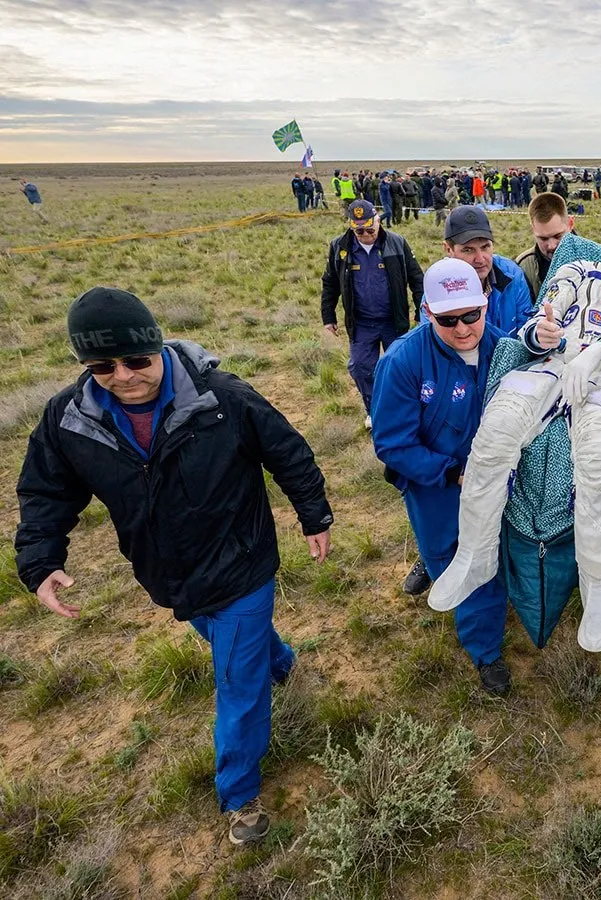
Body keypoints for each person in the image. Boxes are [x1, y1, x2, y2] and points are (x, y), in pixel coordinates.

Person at [15, 287, 334, 845]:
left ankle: (239, 794)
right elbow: (46, 491)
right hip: (167, 574)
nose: (123, 376)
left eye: (136, 360)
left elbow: (287, 450)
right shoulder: (70, 418)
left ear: (157, 345)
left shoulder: (222, 398)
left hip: (240, 561)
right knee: (237, 646)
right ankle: (281, 662)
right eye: (102, 367)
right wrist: (40, 561)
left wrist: (314, 514)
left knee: (236, 682)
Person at [428, 208, 601, 654]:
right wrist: (542, 334)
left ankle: (597, 587)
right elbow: (542, 314)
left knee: (600, 468)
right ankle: (475, 555)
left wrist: (598, 353)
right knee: (495, 436)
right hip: (550, 367)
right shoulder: (579, 269)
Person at [371, 259, 513, 694]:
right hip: (436, 487)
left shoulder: (505, 349)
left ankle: (498, 613)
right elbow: (393, 443)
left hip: (497, 481)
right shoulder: (403, 360)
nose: (463, 329)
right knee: (457, 559)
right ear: (428, 312)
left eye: (471, 314)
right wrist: (452, 472)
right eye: (449, 320)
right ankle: (485, 650)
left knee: (498, 553)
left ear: (485, 302)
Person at [320, 200, 424, 428]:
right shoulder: (339, 247)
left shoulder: (397, 243)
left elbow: (417, 279)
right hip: (361, 322)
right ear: (351, 227)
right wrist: (328, 316)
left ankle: (404, 408)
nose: (366, 235)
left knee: (401, 367)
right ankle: (374, 409)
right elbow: (330, 283)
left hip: (393, 320)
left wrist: (421, 311)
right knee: (360, 368)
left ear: (378, 221)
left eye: (370, 229)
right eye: (359, 231)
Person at [441, 206, 536, 337]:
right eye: (468, 250)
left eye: (485, 247)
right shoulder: (437, 288)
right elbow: (432, 344)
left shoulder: (513, 276)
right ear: (448, 249)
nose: (480, 259)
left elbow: (525, 332)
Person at [514, 192, 574, 299]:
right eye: (543, 239)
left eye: (557, 236)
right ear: (533, 230)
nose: (551, 246)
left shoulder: (595, 258)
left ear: (570, 224)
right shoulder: (523, 267)